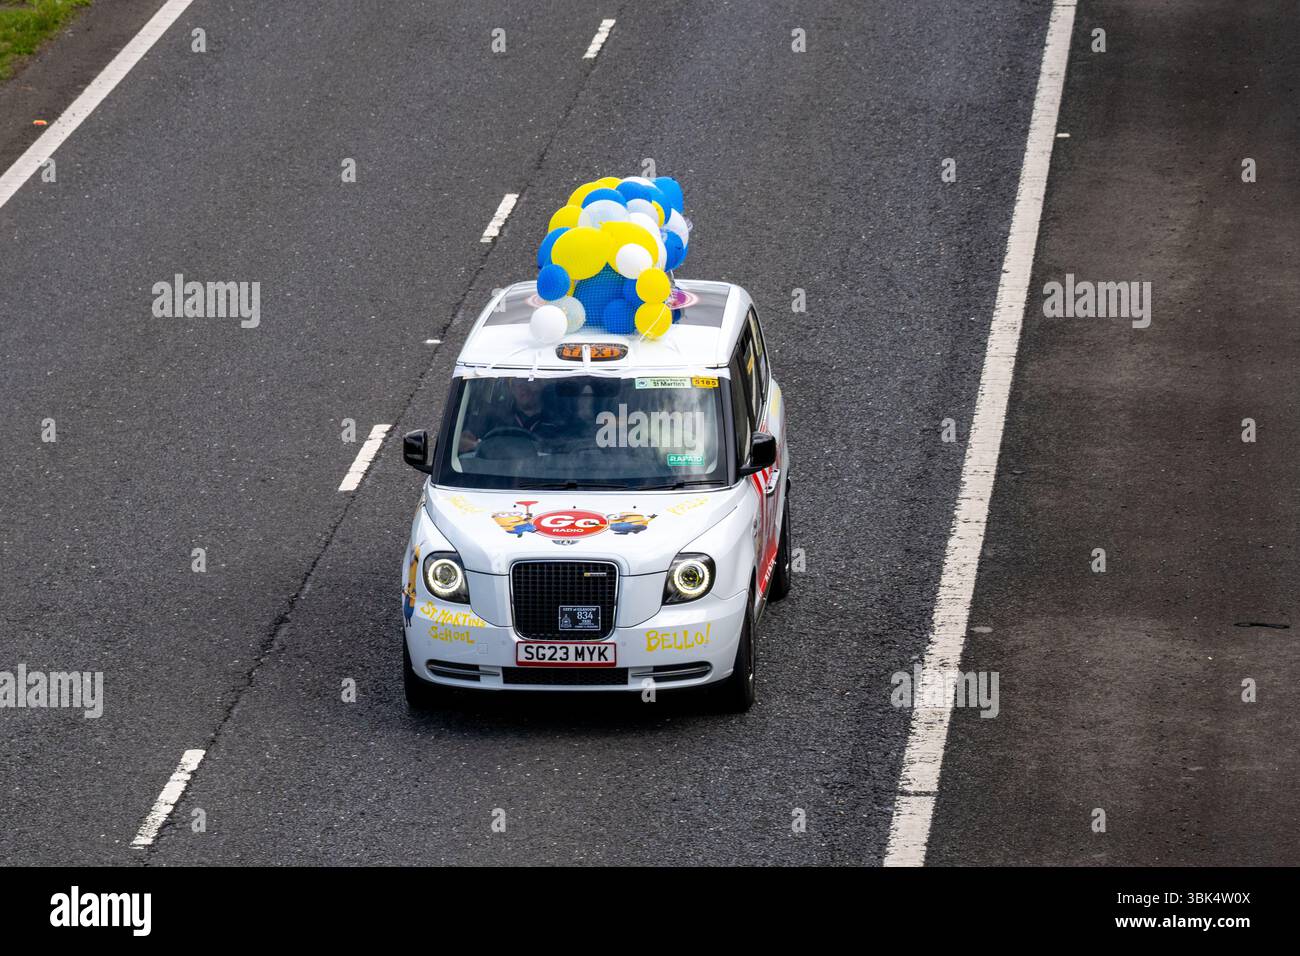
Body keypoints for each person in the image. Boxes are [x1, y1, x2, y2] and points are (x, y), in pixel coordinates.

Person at [459, 377, 565, 454]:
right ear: (511, 389)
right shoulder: (493, 416)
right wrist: (478, 446)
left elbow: (574, 446)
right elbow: (462, 441)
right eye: (517, 382)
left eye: (529, 380)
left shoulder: (560, 419)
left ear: (541, 384)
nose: (523, 388)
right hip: (494, 475)